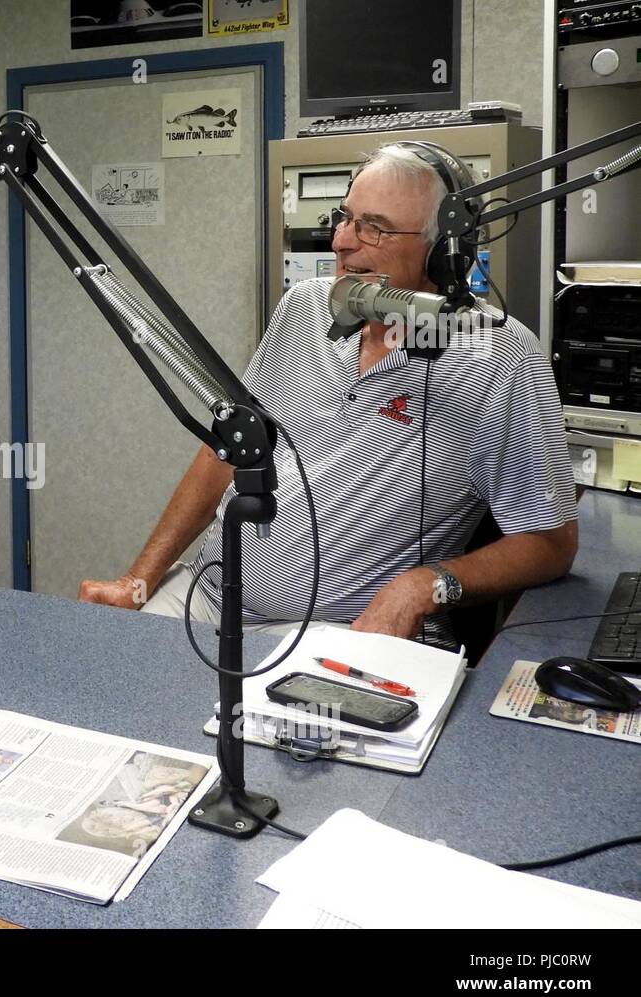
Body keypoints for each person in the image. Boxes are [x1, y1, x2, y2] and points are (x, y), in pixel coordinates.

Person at [79, 141, 578, 647]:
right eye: (344, 218)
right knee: (96, 679)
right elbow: (225, 454)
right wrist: (136, 582)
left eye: (373, 227)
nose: (341, 241)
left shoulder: (500, 357)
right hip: (208, 601)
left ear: (442, 252)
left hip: (346, 636)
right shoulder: (304, 307)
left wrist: (427, 586)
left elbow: (551, 543)